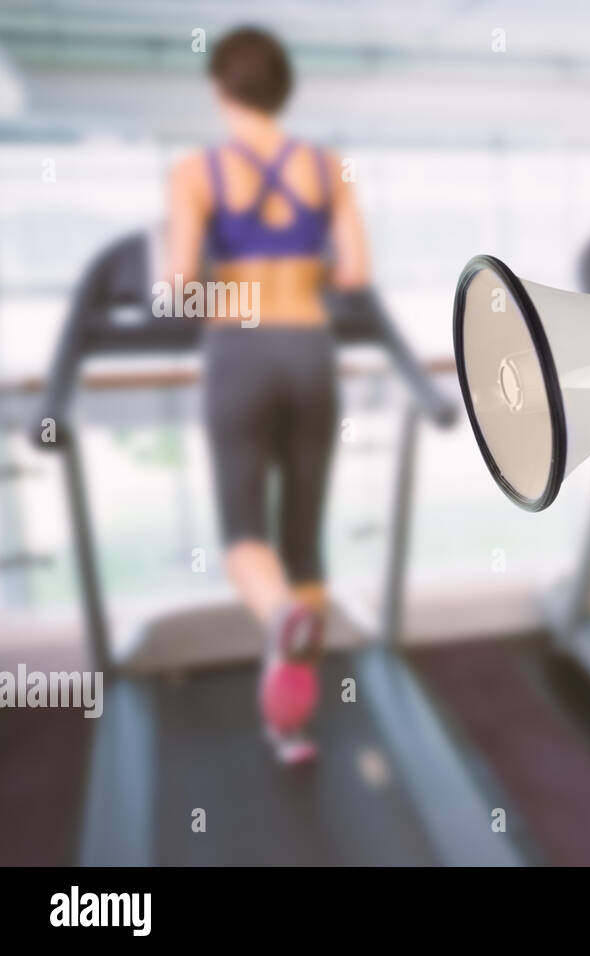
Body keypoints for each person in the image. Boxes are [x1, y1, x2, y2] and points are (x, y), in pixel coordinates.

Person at [165, 25, 370, 764]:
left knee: (244, 534)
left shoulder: (196, 171)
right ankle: (293, 726)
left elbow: (179, 286)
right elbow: (352, 271)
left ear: (221, 90)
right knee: (304, 541)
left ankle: (280, 616)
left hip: (241, 351)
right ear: (283, 91)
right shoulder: (326, 168)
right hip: (310, 351)